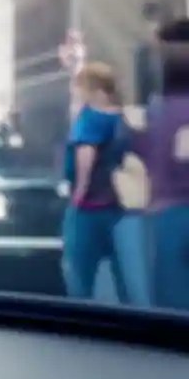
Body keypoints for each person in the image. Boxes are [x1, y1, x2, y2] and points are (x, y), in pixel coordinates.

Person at [128, 19, 189, 310]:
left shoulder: (156, 111)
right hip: (168, 212)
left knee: (169, 305)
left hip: (166, 214)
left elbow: (139, 150)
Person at [61, 62, 131, 301]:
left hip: (88, 209)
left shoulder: (90, 118)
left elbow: (86, 155)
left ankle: (80, 325)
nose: (80, 94)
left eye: (82, 89)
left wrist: (79, 193)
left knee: (79, 275)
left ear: (97, 91)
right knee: (124, 276)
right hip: (118, 207)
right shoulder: (123, 119)